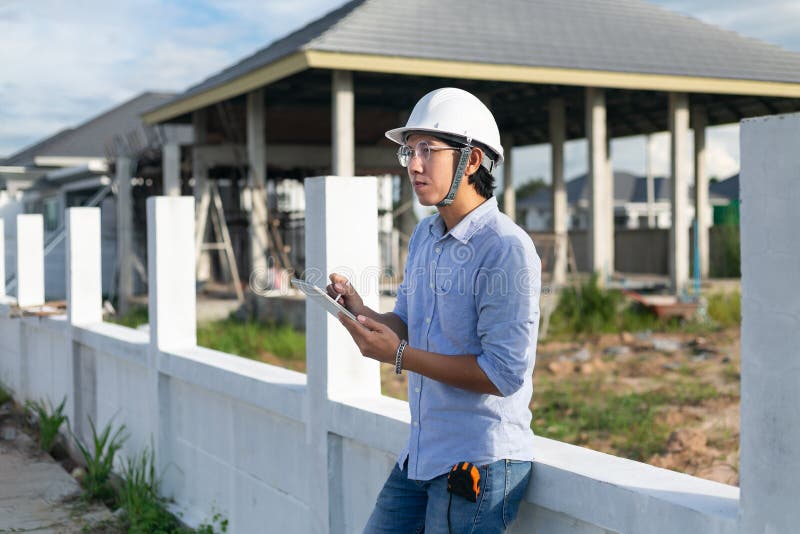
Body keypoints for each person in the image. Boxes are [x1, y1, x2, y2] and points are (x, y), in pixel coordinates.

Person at [327, 87, 540, 533]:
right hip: (423, 454)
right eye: (410, 151)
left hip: (480, 462)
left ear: (473, 161)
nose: (414, 165)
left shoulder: (505, 249)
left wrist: (398, 356)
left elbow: (503, 374)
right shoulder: (425, 237)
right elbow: (406, 324)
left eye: (429, 150)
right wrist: (362, 312)